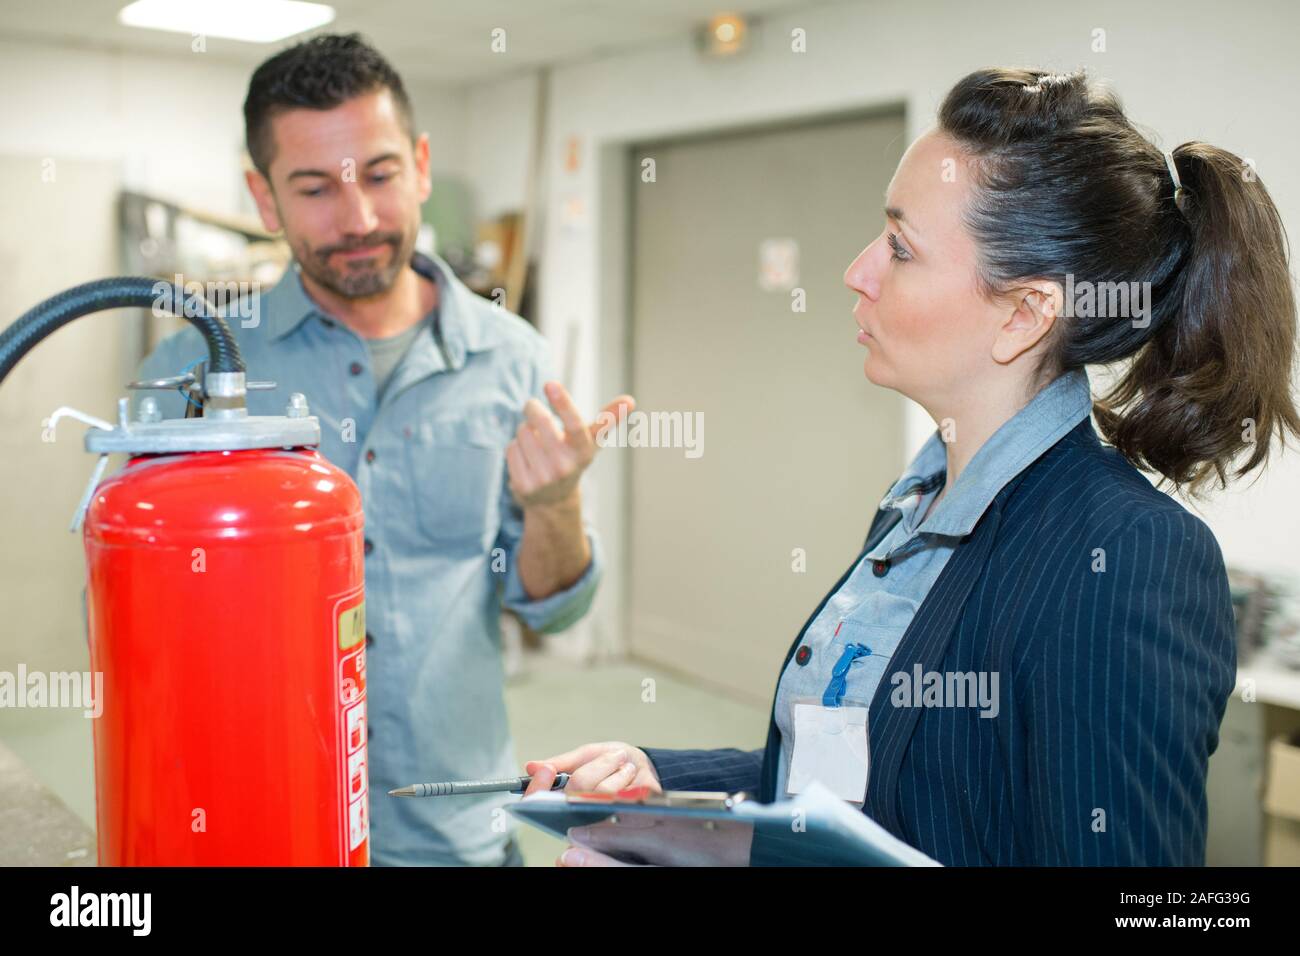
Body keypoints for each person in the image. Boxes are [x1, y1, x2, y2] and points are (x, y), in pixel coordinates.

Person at [524, 66, 1300, 866]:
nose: (858, 271)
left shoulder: (1128, 558)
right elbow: (867, 788)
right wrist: (659, 784)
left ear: (1024, 314)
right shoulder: (922, 504)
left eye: (900, 246)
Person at [136, 33, 632, 866]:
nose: (359, 217)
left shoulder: (511, 358)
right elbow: (134, 626)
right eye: (315, 187)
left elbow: (556, 607)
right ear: (265, 200)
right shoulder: (191, 373)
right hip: (260, 822)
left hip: (452, 831)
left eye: (379, 173)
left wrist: (555, 504)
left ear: (422, 164)